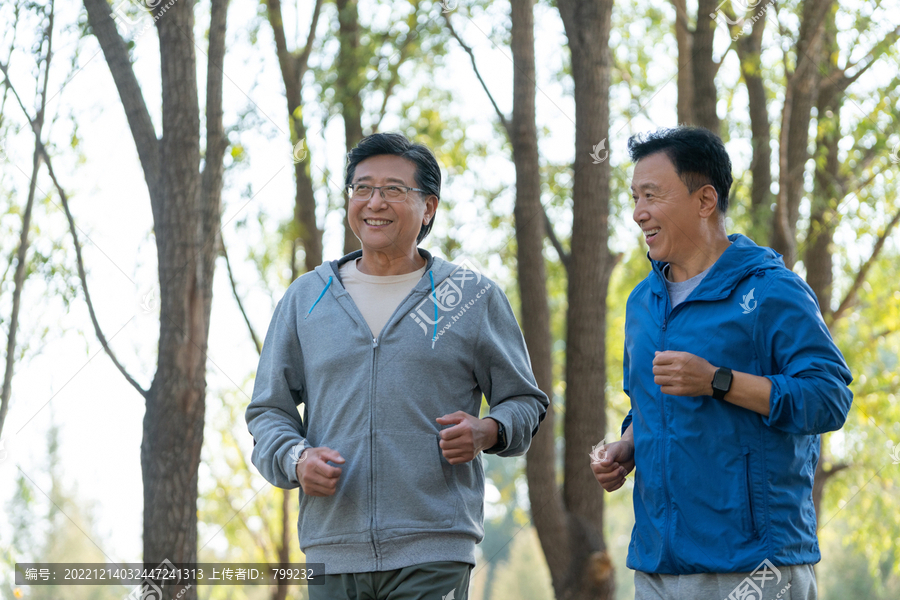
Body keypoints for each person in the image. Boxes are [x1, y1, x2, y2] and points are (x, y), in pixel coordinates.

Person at [246, 132, 548, 600]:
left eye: (392, 189)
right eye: (362, 188)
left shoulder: (468, 296)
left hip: (434, 550)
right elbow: (268, 412)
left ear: (428, 206)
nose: (374, 202)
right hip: (331, 549)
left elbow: (525, 400)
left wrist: (488, 430)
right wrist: (296, 458)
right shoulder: (308, 297)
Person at [591, 127, 853, 600]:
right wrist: (628, 447)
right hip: (656, 562)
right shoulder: (642, 303)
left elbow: (829, 397)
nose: (638, 213)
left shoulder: (772, 289)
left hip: (753, 566)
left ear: (705, 200)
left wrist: (718, 381)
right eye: (634, 197)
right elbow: (648, 407)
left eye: (651, 195)